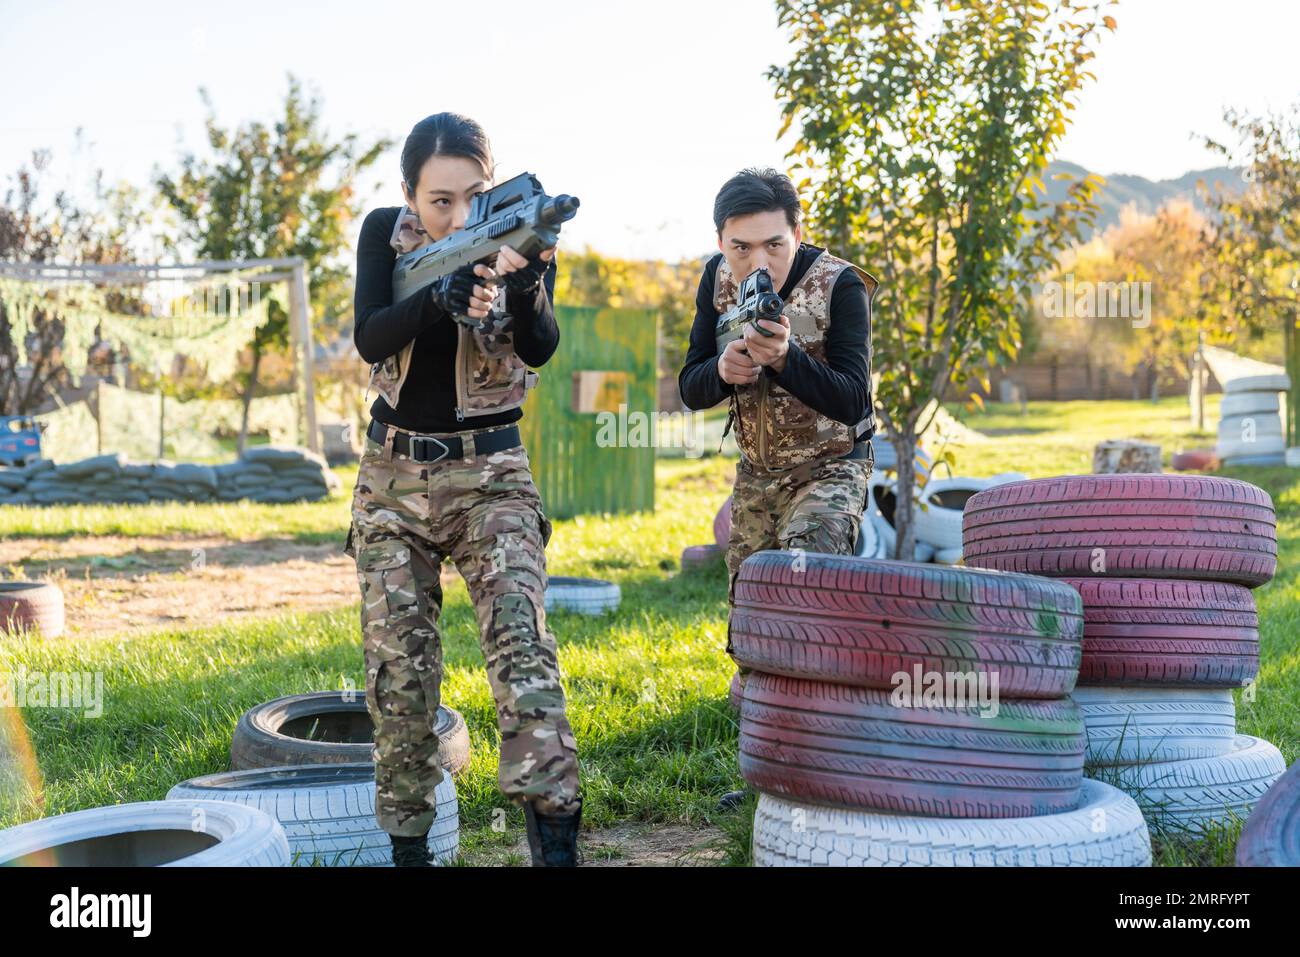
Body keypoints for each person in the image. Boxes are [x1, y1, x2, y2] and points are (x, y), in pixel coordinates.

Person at [346, 112, 581, 866]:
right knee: (399, 674)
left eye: (471, 195)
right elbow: (370, 334)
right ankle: (410, 852)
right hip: (391, 478)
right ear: (408, 195)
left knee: (523, 651)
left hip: (492, 474)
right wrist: (437, 298)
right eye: (438, 200)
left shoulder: (521, 234)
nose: (456, 214)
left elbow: (541, 344)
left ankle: (555, 844)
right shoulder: (384, 233)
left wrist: (527, 282)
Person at [677, 167, 878, 809]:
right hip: (757, 473)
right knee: (754, 623)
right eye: (739, 248)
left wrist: (786, 361)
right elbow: (688, 386)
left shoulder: (841, 284)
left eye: (772, 245)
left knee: (804, 598)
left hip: (831, 466)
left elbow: (853, 398)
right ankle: (767, 775)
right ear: (720, 243)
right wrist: (723, 370)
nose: (755, 260)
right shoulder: (715, 281)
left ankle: (824, 771)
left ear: (798, 232)